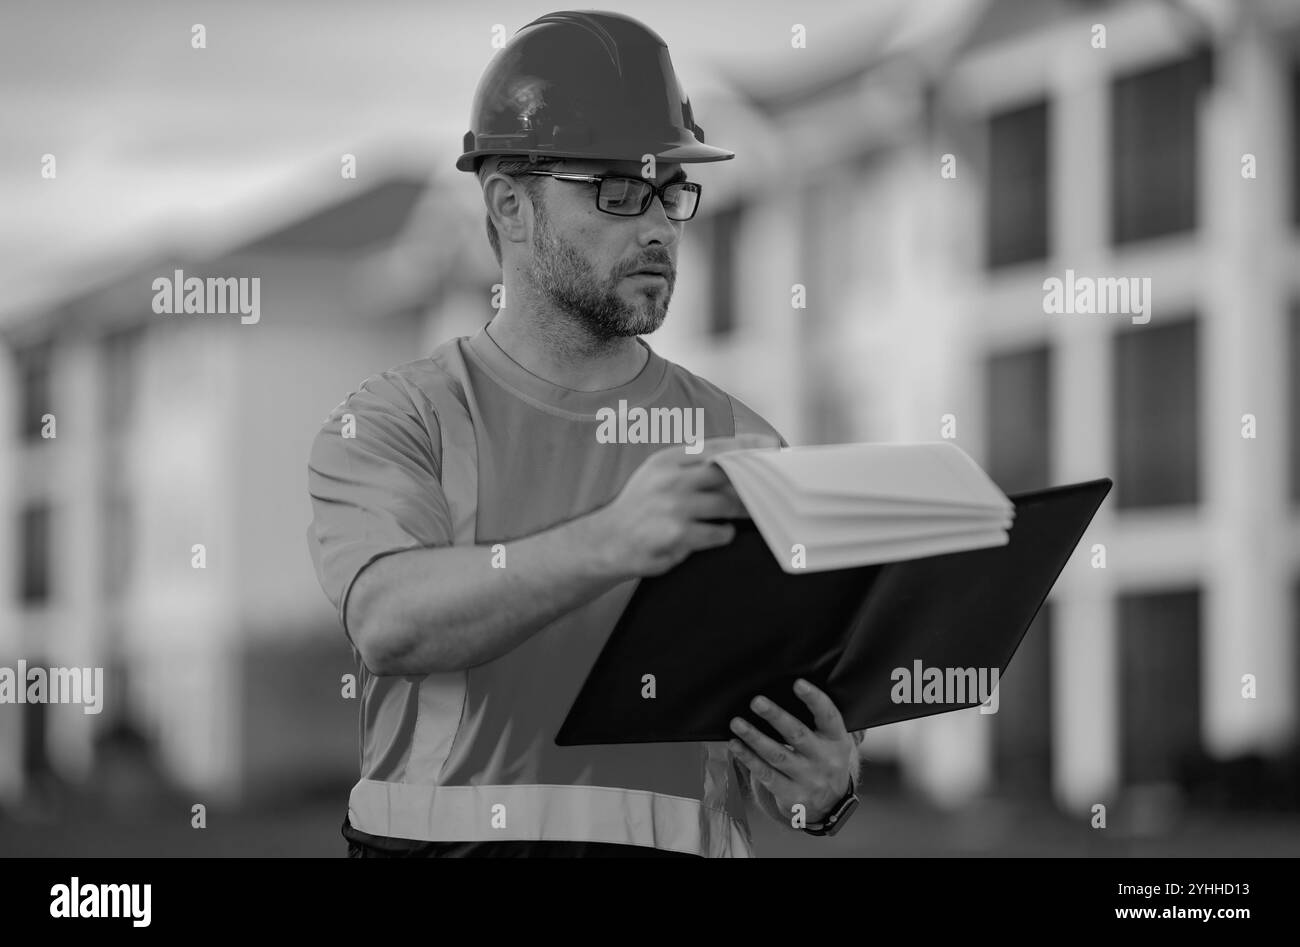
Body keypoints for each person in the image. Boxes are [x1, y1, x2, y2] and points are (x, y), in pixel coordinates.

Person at [306, 10, 862, 858]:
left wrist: (819, 790)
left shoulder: (741, 440)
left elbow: (761, 745)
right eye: (616, 189)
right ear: (510, 206)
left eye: (670, 188)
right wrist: (613, 539)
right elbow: (390, 622)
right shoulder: (397, 420)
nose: (658, 226)